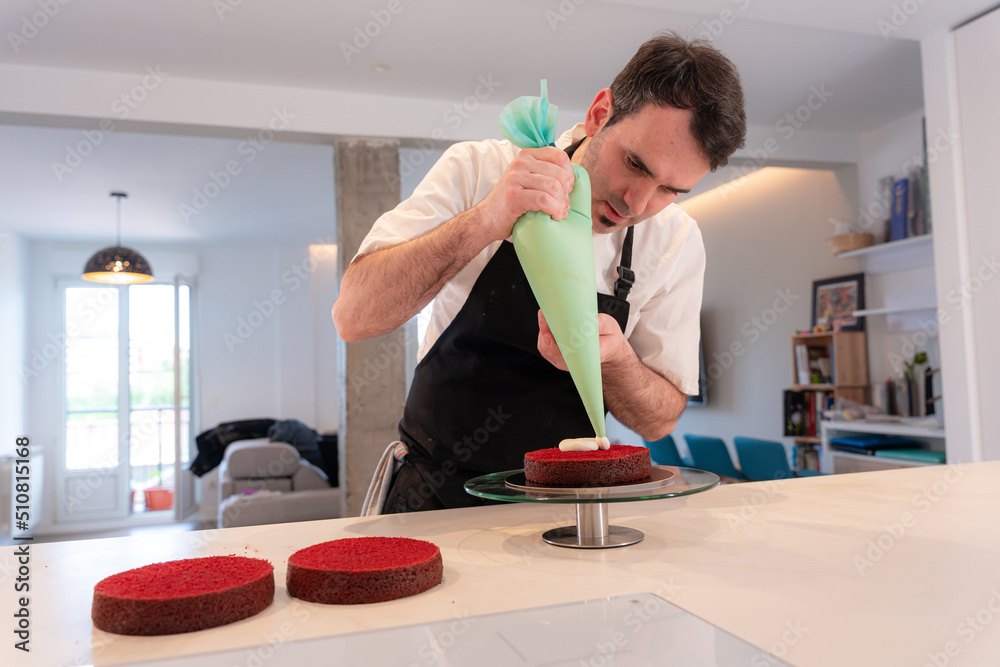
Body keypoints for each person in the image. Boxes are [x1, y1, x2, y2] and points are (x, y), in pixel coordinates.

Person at [333, 31, 746, 513]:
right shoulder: (478, 170)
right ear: (599, 115)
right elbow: (353, 317)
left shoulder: (675, 241)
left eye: (669, 190)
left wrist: (614, 362)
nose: (635, 204)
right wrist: (484, 220)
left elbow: (660, 421)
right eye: (634, 163)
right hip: (433, 497)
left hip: (571, 508)